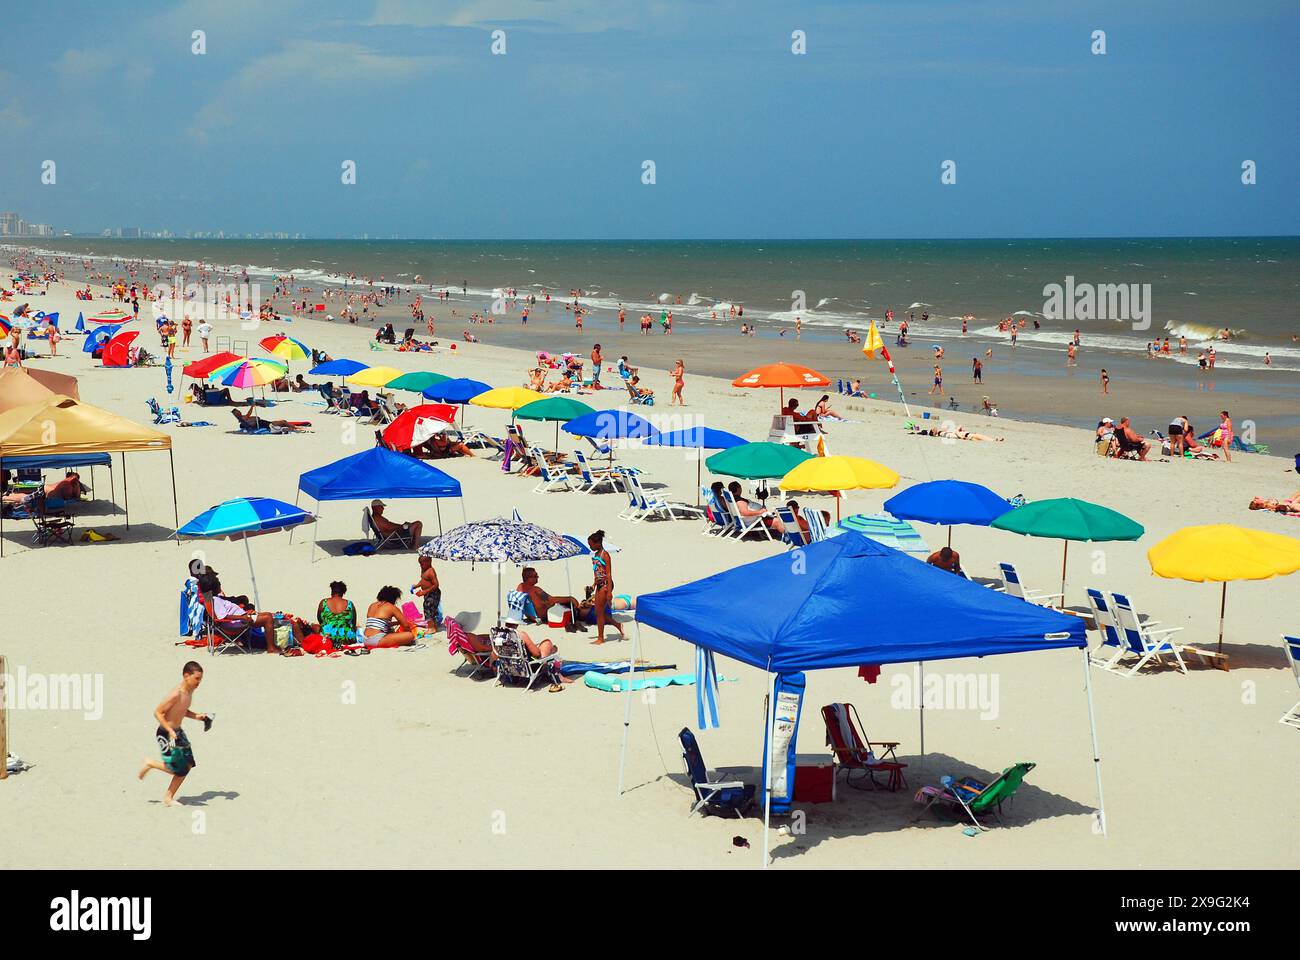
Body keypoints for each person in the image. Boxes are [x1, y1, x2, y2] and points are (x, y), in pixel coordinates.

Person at [137, 661, 210, 806]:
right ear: (186, 676)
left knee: (188, 765)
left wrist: (198, 716)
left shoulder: (190, 691)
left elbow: (183, 711)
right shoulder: (176, 693)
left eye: (200, 679)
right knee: (176, 769)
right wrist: (170, 730)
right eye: (196, 679)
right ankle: (150, 763)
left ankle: (168, 798)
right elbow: (158, 712)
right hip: (166, 734)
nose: (199, 682)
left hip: (178, 733)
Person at [517, 567, 583, 628]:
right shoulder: (536, 590)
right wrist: (570, 598)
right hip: (544, 616)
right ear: (528, 578)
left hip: (532, 617)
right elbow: (551, 600)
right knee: (570, 605)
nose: (538, 577)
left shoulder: (520, 587)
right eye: (535, 576)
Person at [588, 530, 620, 644]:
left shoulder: (605, 555)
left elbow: (608, 574)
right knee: (599, 611)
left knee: (599, 612)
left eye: (591, 545)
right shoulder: (596, 554)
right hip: (599, 584)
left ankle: (601, 638)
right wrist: (593, 585)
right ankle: (618, 625)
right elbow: (597, 573)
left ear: (598, 543)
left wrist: (609, 592)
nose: (590, 547)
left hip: (606, 584)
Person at [3, 472, 82, 506]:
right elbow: (70, 496)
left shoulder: (66, 482)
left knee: (25, 496)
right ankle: (4, 497)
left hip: (44, 489)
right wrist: (77, 487)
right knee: (24, 498)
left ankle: (6, 496)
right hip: (43, 492)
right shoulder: (67, 485)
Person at [316, 581, 357, 646]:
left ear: (332, 591)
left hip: (327, 638)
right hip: (347, 640)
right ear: (343, 593)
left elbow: (320, 619)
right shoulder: (349, 604)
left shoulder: (323, 602)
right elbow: (353, 623)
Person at [231, 405, 305, 432]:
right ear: (237, 414)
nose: (239, 411)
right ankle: (295, 428)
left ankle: (293, 427)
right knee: (283, 422)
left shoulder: (243, 419)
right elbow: (248, 415)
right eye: (238, 411)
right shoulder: (243, 419)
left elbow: (247, 417)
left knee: (283, 422)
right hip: (266, 424)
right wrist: (252, 406)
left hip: (264, 422)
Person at [414, 556, 441, 625]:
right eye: (419, 564)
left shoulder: (431, 572)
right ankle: (431, 623)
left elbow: (436, 584)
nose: (420, 566)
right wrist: (416, 585)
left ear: (429, 562)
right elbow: (423, 580)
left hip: (433, 593)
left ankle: (431, 626)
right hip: (427, 593)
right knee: (428, 607)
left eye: (422, 564)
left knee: (428, 607)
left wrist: (425, 591)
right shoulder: (424, 569)